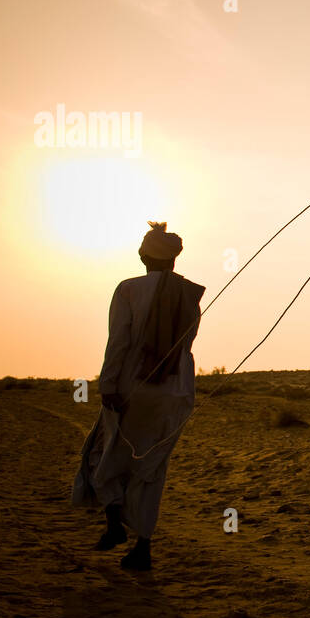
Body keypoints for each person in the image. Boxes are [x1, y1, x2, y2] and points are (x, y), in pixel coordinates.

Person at [73, 222, 205, 570]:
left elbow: (118, 341)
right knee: (152, 466)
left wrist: (108, 385)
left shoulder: (129, 289)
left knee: (106, 453)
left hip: (133, 385)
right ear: (174, 259)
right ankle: (143, 547)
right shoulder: (190, 294)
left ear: (144, 255)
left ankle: (114, 524)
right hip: (175, 390)